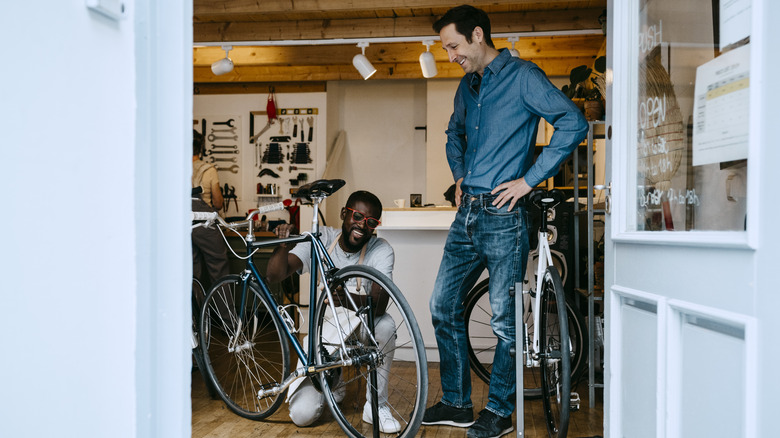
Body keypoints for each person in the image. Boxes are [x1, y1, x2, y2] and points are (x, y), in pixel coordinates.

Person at [422, 5, 588, 438]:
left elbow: (573, 122)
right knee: (442, 305)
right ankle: (457, 404)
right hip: (467, 214)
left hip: (503, 217)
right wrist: (459, 175)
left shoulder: (524, 77)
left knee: (504, 322)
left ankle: (498, 412)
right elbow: (452, 134)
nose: (450, 54)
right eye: (446, 48)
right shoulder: (466, 87)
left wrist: (528, 181)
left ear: (478, 35)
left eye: (454, 45)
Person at [266, 190, 401, 433]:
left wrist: (344, 299)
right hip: (326, 335)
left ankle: (376, 405)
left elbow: (379, 304)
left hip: (361, 328)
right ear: (344, 214)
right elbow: (275, 275)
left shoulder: (381, 249)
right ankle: (334, 376)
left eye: (371, 222)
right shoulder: (320, 239)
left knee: (385, 326)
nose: (362, 225)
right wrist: (284, 246)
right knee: (302, 416)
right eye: (357, 216)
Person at [191, 129, 229, 286]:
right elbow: (218, 203)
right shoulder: (208, 169)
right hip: (204, 223)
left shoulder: (175, 168)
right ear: (200, 148)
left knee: (192, 272)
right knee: (218, 267)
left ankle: (195, 311)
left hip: (182, 223)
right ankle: (224, 311)